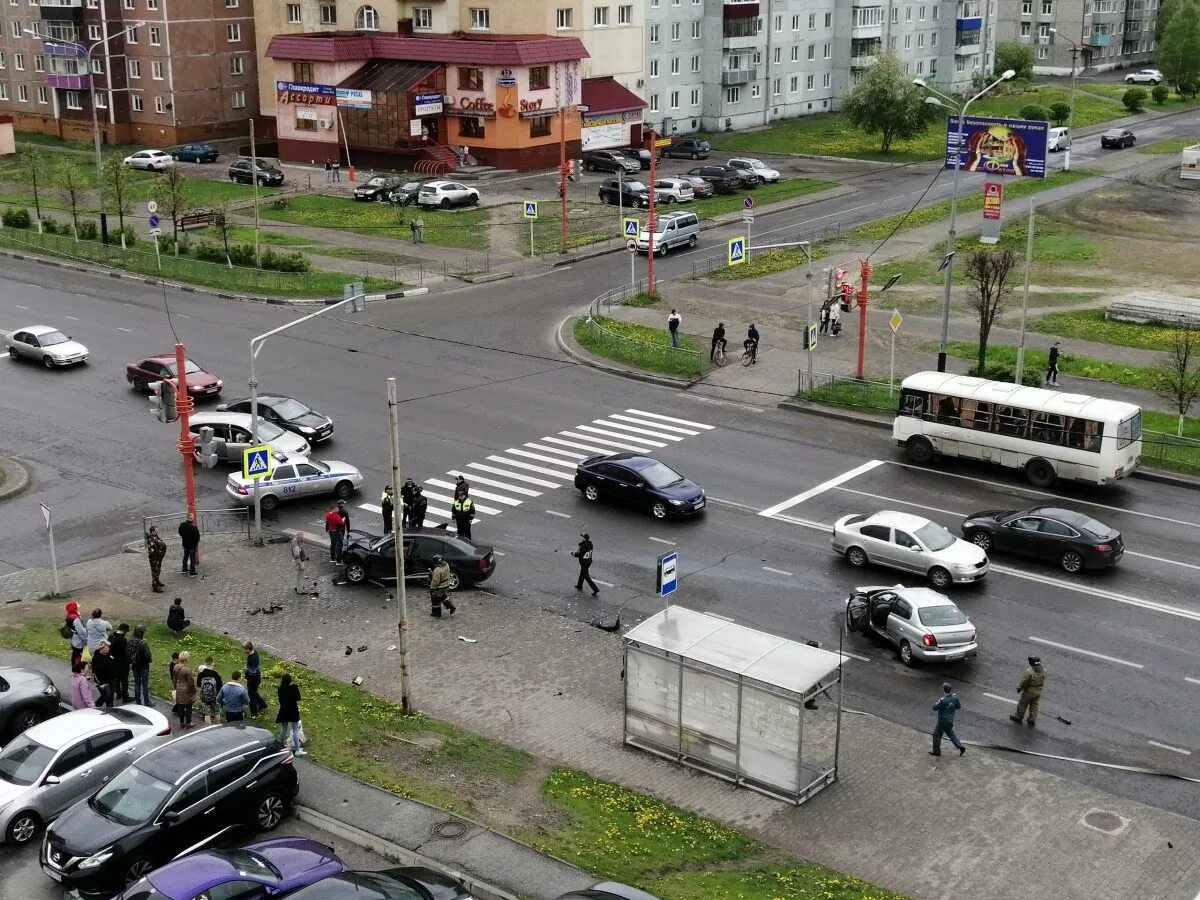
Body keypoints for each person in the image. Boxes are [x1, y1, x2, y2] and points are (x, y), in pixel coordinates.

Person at [931, 682, 966, 757]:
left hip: (942, 721)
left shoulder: (943, 700)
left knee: (936, 735)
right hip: (950, 720)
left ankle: (936, 752)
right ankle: (961, 746)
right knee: (951, 734)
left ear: (944, 690)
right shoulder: (955, 697)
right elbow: (958, 706)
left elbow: (934, 708)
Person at [1011, 656, 1046, 727]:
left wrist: (1019, 688)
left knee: (1022, 704)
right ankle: (1032, 719)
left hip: (1029, 692)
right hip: (1038, 691)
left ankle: (1018, 717)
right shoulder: (1044, 670)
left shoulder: (1029, 671)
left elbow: (1024, 682)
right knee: (1034, 705)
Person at [276, 673, 306, 755]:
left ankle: (281, 746)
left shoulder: (280, 689)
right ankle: (297, 750)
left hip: (284, 710)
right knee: (296, 729)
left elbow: (280, 700)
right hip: (293, 710)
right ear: (290, 680)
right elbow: (298, 698)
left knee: (284, 728)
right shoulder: (294, 687)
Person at [128, 625, 153, 706]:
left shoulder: (130, 641)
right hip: (144, 666)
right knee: (145, 684)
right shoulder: (143, 643)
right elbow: (148, 655)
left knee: (137, 683)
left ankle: (138, 701)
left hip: (134, 665)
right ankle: (147, 701)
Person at [195, 657, 223, 726]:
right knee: (217, 712)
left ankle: (209, 728)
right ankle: (217, 726)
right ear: (212, 663)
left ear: (204, 663)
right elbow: (220, 685)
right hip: (215, 696)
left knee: (207, 714)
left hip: (204, 697)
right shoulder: (215, 674)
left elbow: (198, 684)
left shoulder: (201, 674)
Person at [172, 651, 195, 730]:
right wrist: (193, 690)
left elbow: (174, 679)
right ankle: (188, 723)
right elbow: (191, 682)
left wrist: (175, 687)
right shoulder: (187, 669)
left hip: (178, 688)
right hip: (186, 690)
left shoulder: (175, 667)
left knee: (180, 706)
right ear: (186, 659)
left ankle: (182, 722)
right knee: (188, 706)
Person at [244, 641, 268, 717]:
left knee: (251, 696)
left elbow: (252, 672)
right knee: (254, 692)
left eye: (245, 649)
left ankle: (254, 712)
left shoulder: (251, 658)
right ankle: (263, 704)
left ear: (248, 649)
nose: (244, 651)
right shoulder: (255, 653)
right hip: (256, 677)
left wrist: (246, 672)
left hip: (253, 679)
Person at [109, 623, 130, 703]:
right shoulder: (123, 640)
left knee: (116, 680)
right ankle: (125, 697)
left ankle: (118, 693)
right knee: (124, 681)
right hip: (122, 663)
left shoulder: (111, 637)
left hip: (113, 662)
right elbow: (125, 653)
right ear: (124, 631)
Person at [91, 641, 116, 708]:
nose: (108, 649)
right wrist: (101, 683)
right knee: (107, 695)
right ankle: (95, 706)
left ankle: (110, 709)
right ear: (101, 649)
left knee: (111, 696)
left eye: (108, 647)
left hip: (111, 679)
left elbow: (113, 662)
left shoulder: (108, 654)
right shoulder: (96, 659)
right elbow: (95, 673)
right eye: (106, 648)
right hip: (102, 682)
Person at [146, 525, 168, 592]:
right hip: (154, 559)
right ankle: (155, 587)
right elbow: (153, 550)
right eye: (156, 530)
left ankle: (156, 582)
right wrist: (160, 553)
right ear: (153, 531)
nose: (158, 530)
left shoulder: (155, 536)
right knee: (155, 571)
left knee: (158, 570)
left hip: (158, 558)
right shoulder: (151, 538)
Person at [65, 600, 86, 666]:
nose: (78, 608)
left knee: (75, 652)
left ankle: (74, 665)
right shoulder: (75, 618)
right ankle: (76, 668)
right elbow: (81, 631)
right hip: (78, 640)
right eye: (76, 607)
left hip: (73, 638)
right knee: (78, 654)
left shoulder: (69, 615)